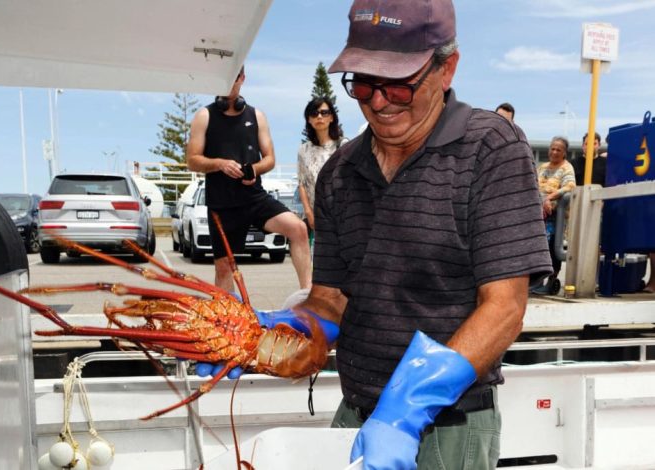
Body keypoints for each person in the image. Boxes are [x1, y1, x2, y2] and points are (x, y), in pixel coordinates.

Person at [298, 1, 549, 468]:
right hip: (356, 416)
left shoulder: (491, 149)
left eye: (397, 83)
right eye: (363, 83)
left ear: (446, 68)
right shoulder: (338, 170)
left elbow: (505, 307)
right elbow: (331, 299)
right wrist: (288, 331)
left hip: (448, 426)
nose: (377, 101)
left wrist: (407, 408)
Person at [186, 67, 311, 292]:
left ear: (242, 78)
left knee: (299, 229)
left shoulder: (257, 116)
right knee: (224, 267)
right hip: (221, 205)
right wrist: (219, 164)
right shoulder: (204, 116)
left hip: (254, 198)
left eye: (234, 77)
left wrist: (254, 169)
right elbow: (192, 160)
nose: (229, 83)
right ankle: (227, 321)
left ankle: (308, 297)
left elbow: (270, 159)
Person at [297, 97, 346, 249]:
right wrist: (308, 213)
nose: (319, 117)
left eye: (324, 113)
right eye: (314, 113)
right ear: (309, 120)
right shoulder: (303, 150)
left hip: (341, 215)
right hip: (316, 217)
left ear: (331, 117)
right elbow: (302, 183)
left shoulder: (344, 145)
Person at [532, 137, 576, 295]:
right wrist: (541, 200)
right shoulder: (542, 167)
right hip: (538, 213)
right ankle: (536, 280)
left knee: (551, 248)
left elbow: (570, 186)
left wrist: (549, 198)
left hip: (555, 215)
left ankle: (551, 281)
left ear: (564, 153)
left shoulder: (566, 168)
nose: (554, 152)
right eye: (552, 148)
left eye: (558, 149)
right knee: (536, 247)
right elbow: (532, 185)